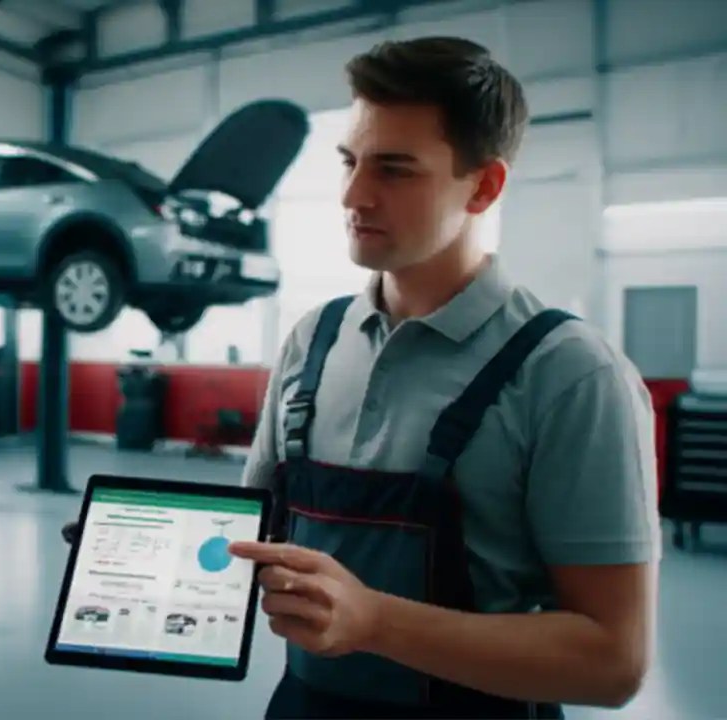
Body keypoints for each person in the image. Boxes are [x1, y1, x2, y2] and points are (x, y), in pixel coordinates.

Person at [226, 36, 660, 719]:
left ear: (484, 186)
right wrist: (161, 556)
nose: (353, 194)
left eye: (394, 170)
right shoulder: (313, 339)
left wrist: (375, 622)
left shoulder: (572, 376)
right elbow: (259, 532)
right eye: (350, 161)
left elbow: (613, 662)